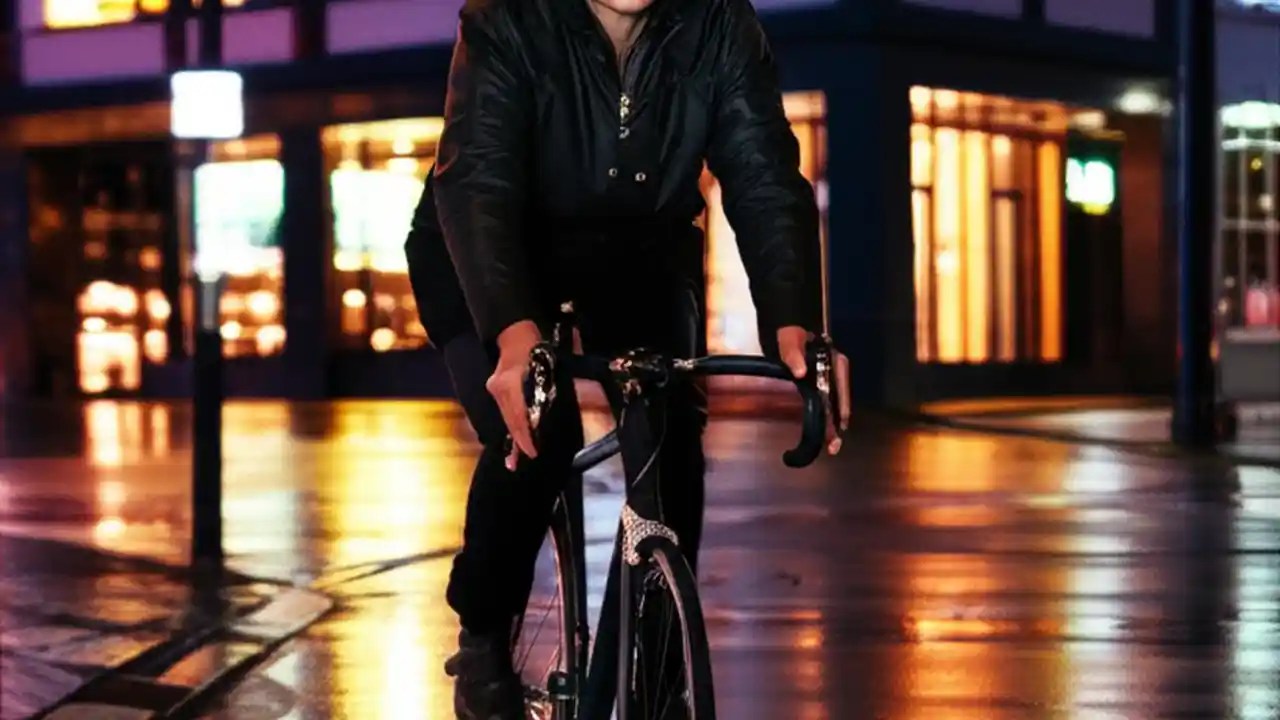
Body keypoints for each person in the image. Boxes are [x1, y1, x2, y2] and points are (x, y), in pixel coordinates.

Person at [406, 0, 850, 716]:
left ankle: (660, 670)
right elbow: (479, 180)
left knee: (670, 438)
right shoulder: (508, 18)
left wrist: (796, 322)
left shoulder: (719, 24)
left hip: (639, 246)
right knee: (537, 435)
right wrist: (516, 335)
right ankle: (484, 633)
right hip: (492, 246)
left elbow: (763, 172)